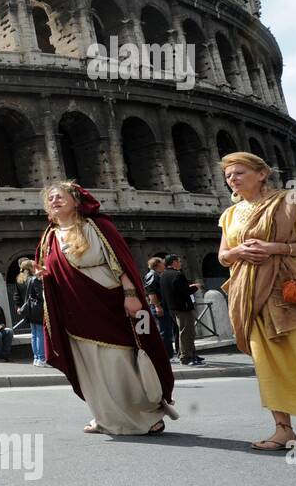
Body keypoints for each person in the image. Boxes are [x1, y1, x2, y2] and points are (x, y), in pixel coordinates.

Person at [217, 151, 296, 449]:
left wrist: (274, 247)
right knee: (268, 360)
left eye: (238, 173)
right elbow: (223, 256)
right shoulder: (230, 215)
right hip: (251, 291)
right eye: (228, 176)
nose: (232, 179)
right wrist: (238, 253)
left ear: (262, 174)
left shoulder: (290, 202)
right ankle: (283, 429)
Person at [37, 181, 178, 435]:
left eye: (60, 196)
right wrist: (45, 274)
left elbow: (121, 264)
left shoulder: (98, 227)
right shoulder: (50, 235)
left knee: (118, 361)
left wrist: (131, 295)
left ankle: (147, 416)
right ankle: (105, 417)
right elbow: (54, 270)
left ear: (76, 200)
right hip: (73, 309)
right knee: (88, 365)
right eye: (51, 199)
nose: (54, 201)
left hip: (108, 302)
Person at [160, 254, 204, 365]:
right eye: (179, 261)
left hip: (172, 308)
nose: (181, 263)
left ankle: (191, 354)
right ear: (174, 262)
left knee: (183, 332)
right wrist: (195, 287)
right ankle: (186, 358)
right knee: (187, 333)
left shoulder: (163, 275)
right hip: (183, 308)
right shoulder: (178, 275)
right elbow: (185, 291)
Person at [143, 256, 176, 360]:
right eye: (162, 263)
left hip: (164, 306)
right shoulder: (151, 275)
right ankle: (166, 356)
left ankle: (169, 354)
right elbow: (151, 292)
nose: (164, 265)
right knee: (164, 332)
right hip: (159, 307)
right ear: (157, 265)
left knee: (167, 331)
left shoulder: (158, 275)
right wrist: (157, 306)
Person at [14, 260, 45, 365]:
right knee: (40, 333)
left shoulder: (19, 279)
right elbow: (40, 295)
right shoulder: (34, 279)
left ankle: (36, 358)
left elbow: (16, 295)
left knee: (34, 334)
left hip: (27, 309)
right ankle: (41, 358)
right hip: (36, 308)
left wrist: (18, 306)